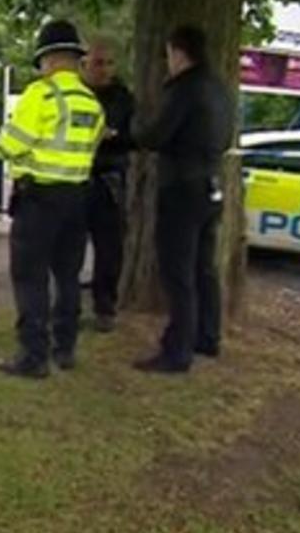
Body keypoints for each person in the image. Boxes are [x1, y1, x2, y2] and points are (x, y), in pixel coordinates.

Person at [0, 20, 106, 378]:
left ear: (50, 59)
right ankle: (66, 348)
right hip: (77, 198)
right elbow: (94, 144)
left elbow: (10, 145)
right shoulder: (91, 101)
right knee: (68, 276)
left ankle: (33, 356)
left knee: (30, 277)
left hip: (39, 199)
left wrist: (2, 148)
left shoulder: (40, 96)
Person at [134, 25, 234, 374]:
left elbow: (157, 134)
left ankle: (177, 350)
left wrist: (133, 130)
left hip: (181, 187)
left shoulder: (185, 89)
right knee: (204, 268)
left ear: (178, 52)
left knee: (178, 271)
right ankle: (208, 335)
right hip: (211, 183)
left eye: (169, 55)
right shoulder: (220, 89)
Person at [79, 37, 135, 333]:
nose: (104, 69)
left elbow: (135, 137)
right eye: (98, 63)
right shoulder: (75, 94)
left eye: (109, 63)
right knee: (68, 246)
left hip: (109, 179)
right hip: (74, 177)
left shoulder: (123, 97)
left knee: (110, 248)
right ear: (84, 64)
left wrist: (113, 137)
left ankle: (105, 308)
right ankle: (66, 306)